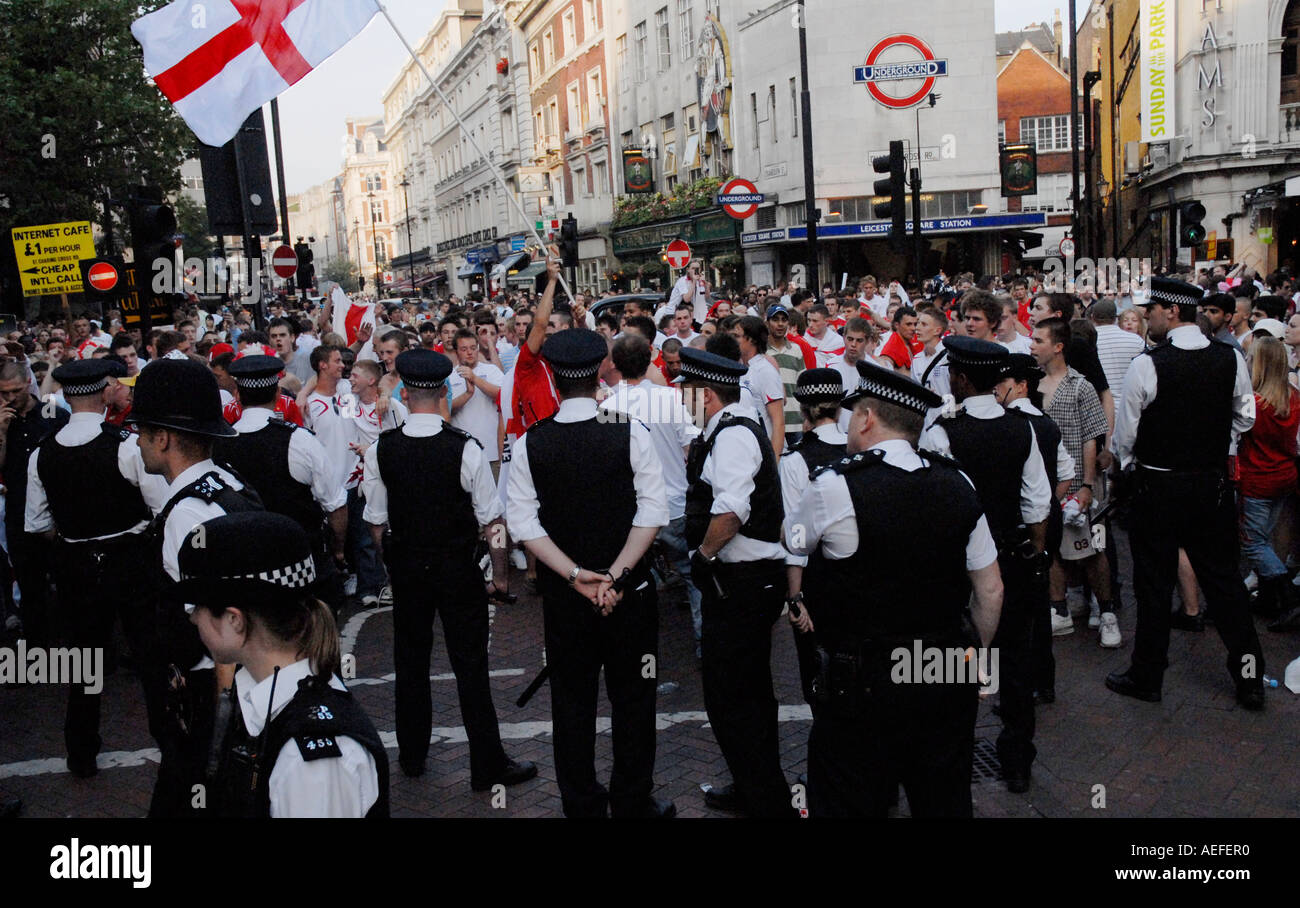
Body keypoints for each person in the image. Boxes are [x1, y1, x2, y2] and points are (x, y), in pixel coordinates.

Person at [786, 363, 1002, 817]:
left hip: (864, 675)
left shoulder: (835, 485)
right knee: (943, 797)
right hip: (945, 665)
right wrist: (975, 657)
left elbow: (795, 542)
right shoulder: (957, 481)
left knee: (851, 797)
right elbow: (990, 588)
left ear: (866, 418)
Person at [507, 330, 672, 818]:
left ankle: (581, 804)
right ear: (600, 373)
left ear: (554, 380)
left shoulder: (532, 442)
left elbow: (523, 524)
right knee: (635, 700)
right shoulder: (630, 431)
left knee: (572, 704)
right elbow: (653, 512)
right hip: (630, 594)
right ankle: (632, 801)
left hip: (568, 599)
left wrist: (577, 575)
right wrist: (616, 576)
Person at [362, 348, 534, 788]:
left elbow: (377, 523)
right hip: (456, 567)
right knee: (470, 665)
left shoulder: (383, 448)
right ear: (442, 391)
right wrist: (499, 575)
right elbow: (492, 520)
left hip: (408, 566)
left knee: (411, 662)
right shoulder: (465, 449)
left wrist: (393, 564)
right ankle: (487, 764)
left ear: (406, 391)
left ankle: (413, 755)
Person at [1107, 277, 1266, 710]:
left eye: (1151, 311)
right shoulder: (1229, 359)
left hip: (1159, 486)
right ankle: (1250, 678)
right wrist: (1213, 444)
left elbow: (1125, 437)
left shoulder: (1149, 364)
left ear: (1172, 312)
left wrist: (1130, 464)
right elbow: (1245, 417)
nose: (1147, 318)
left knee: (1154, 584)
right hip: (1210, 485)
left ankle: (1147, 675)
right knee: (1225, 584)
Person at [178, 511, 388, 817]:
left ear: (235, 621)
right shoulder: (258, 696)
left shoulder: (308, 761)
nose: (193, 616)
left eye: (199, 606)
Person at [130, 357, 264, 816]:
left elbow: (219, 630)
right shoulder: (227, 482)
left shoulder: (186, 514)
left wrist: (221, 720)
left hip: (207, 694)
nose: (137, 442)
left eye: (141, 432)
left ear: (162, 438)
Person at [24, 360, 169, 777]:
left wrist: (77, 538)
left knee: (84, 661)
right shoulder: (125, 444)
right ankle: (169, 737)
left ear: (68, 396)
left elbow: (36, 524)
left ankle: (81, 751)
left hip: (76, 564)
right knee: (148, 654)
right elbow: (159, 504)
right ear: (105, 392)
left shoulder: (42, 453)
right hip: (129, 557)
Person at [921, 336, 1052, 793]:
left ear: (959, 377)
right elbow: (1037, 501)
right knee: (1016, 661)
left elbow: (934, 501)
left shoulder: (942, 430)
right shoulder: (1024, 429)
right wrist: (1033, 551)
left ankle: (950, 756)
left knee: (955, 660)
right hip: (1012, 554)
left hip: (960, 563)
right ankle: (1017, 760)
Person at [677, 347, 795, 818]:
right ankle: (754, 786)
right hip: (745, 582)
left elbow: (732, 510)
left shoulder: (732, 437)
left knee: (732, 697)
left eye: (685, 391)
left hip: (742, 583)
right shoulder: (729, 429)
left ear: (705, 395)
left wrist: (703, 555)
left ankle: (767, 800)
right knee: (746, 693)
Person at [213, 355, 348, 615]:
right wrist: (338, 551)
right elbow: (335, 504)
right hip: (300, 565)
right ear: (277, 393)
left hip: (244, 567)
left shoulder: (219, 445)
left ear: (238, 395)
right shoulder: (299, 439)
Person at [600, 333, 702, 657]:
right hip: (674, 505)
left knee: (633, 580)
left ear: (615, 363)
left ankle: (634, 647)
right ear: (650, 360)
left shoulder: (609, 406)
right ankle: (703, 645)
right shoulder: (672, 399)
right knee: (692, 576)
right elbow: (693, 449)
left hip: (635, 513)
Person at [1031, 318, 1116, 646]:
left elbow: (1091, 439)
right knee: (1050, 550)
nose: (1032, 344)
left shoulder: (1081, 386)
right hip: (1046, 483)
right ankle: (1060, 610)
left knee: (1092, 550)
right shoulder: (1033, 384)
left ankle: (1107, 612)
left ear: (1058, 346)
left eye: (1039, 340)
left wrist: (1087, 486)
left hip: (1080, 484)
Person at [997, 354, 1074, 704]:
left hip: (1018, 527)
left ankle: (1019, 684)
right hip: (1046, 521)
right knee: (1039, 602)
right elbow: (1065, 473)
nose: (997, 389)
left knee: (1013, 608)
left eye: (1002, 382)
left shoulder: (1007, 424)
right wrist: (1047, 509)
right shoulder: (1046, 424)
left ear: (1020, 385)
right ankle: (1044, 679)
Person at [777, 370, 848, 709]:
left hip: (818, 580)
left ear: (804, 410)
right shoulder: (860, 449)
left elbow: (796, 539)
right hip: (860, 573)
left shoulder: (795, 460)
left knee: (819, 680)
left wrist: (795, 596)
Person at [0, 360, 68, 644]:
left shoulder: (50, 411)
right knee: (30, 586)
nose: (10, 398)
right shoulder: (2, 419)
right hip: (19, 514)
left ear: (27, 383)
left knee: (67, 582)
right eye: (4, 393)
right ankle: (38, 647)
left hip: (56, 512)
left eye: (15, 390)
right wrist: (1, 433)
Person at [1235, 337, 1300, 631]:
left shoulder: (1253, 404)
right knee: (1266, 538)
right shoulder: (1294, 396)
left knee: (1255, 544)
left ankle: (1287, 596)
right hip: (1284, 475)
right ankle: (1269, 597)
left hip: (1257, 479)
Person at [731, 316, 785, 455]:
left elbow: (778, 423)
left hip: (765, 454)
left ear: (752, 339)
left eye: (737, 336)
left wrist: (773, 465)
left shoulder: (765, 371)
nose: (733, 341)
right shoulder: (741, 368)